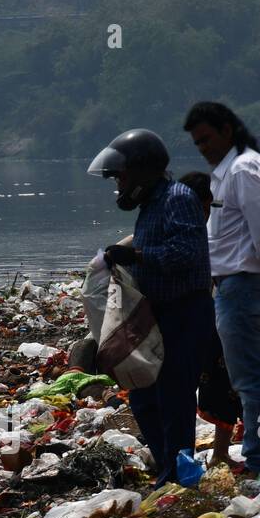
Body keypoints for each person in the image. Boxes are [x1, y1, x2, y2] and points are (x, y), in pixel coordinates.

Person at [86, 128, 213, 488]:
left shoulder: (177, 198)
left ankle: (180, 477)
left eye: (121, 176)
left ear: (143, 170)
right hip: (157, 314)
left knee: (174, 398)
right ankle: (167, 469)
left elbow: (187, 254)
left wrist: (137, 255)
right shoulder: (150, 207)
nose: (119, 184)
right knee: (143, 397)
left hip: (186, 312)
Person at [184, 102, 260, 481]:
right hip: (245, 286)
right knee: (259, 381)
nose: (203, 148)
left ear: (227, 131)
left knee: (254, 385)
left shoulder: (243, 169)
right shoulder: (236, 170)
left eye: (207, 139)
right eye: (197, 143)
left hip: (245, 287)